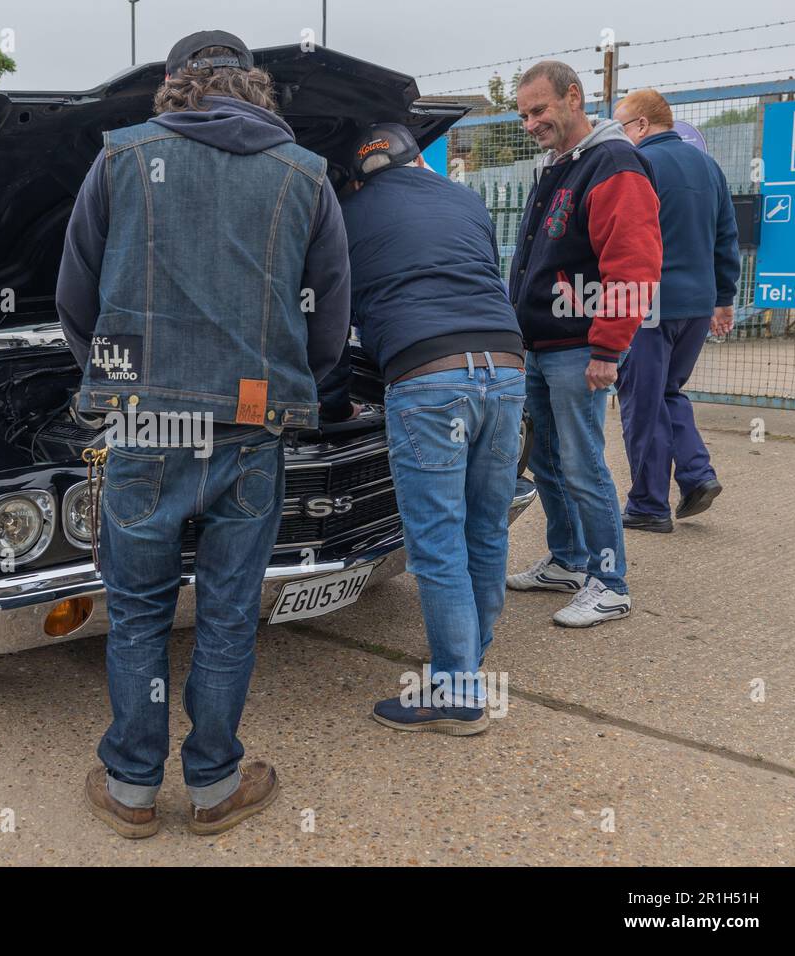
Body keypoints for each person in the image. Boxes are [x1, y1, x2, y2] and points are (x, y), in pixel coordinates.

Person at [56, 30, 349, 838]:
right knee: (226, 614)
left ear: (172, 84)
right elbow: (331, 314)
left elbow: (74, 298)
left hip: (146, 427)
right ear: (252, 86)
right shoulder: (307, 177)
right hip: (253, 430)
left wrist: (121, 379)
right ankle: (216, 785)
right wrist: (299, 388)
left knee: (140, 611)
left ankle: (132, 787)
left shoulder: (118, 161)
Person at [337, 124, 526, 734]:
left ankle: (457, 692)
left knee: (438, 542)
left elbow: (332, 305)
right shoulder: (466, 199)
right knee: (486, 527)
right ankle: (469, 662)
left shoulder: (348, 212)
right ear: (418, 160)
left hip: (427, 376)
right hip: (504, 368)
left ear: (363, 175)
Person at [504, 60, 663, 628]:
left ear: (574, 98)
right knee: (546, 460)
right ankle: (570, 560)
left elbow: (634, 263)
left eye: (540, 109)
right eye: (524, 113)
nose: (530, 123)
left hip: (578, 348)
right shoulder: (560, 165)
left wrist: (606, 348)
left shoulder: (613, 161)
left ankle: (610, 580)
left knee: (582, 463)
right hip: (543, 345)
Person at [612, 89, 737, 532]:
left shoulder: (639, 166)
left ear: (642, 126)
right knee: (668, 391)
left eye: (620, 126)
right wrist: (724, 298)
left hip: (650, 304)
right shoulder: (709, 167)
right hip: (698, 305)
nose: (617, 135)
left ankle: (648, 506)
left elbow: (622, 237)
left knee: (642, 402)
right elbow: (726, 238)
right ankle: (697, 476)